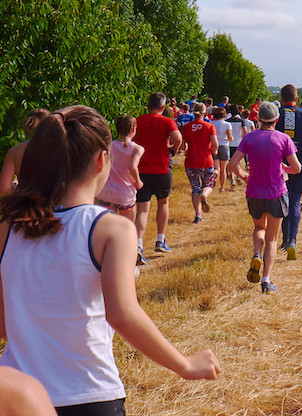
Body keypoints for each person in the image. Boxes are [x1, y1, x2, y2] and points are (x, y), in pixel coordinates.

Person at [0, 105, 220, 414]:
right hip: (87, 394)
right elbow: (122, 315)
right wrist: (184, 364)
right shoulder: (111, 229)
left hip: (15, 397)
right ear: (101, 160)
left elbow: (5, 323)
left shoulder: (8, 228)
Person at [228, 101, 302, 293]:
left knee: (259, 227)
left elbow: (233, 163)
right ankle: (266, 280)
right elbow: (297, 168)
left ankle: (257, 254)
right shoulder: (283, 139)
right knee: (273, 238)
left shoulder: (249, 138)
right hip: (276, 193)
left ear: (258, 119)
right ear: (276, 119)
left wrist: (244, 175)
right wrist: (285, 168)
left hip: (254, 192)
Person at [134, 92, 182, 258]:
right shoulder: (167, 121)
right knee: (163, 203)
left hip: (141, 169)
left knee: (142, 208)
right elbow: (178, 137)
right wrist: (173, 149)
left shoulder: (137, 121)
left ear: (148, 106)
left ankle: (138, 245)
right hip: (162, 168)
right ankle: (160, 240)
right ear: (163, 107)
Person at [275, 85, 302, 261]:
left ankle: (284, 239)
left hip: (278, 161)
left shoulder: (276, 113)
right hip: (300, 160)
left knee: (281, 198)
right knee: (294, 200)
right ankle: (292, 240)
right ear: (297, 98)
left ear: (282, 98)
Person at [96, 116, 144, 226]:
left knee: (106, 228)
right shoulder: (137, 149)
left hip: (106, 192)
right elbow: (133, 167)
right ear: (133, 129)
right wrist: (138, 182)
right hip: (125, 194)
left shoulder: (108, 146)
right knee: (127, 228)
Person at [179, 103, 217, 224]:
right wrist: (214, 150)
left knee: (195, 188)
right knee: (208, 185)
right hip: (206, 160)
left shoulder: (186, 127)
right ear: (204, 112)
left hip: (191, 161)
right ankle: (204, 195)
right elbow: (215, 143)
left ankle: (198, 215)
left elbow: (183, 146)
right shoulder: (209, 126)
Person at [0, 108, 50, 195]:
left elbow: (4, 188)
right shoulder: (60, 148)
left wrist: (17, 189)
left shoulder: (15, 152)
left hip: (26, 205)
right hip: (53, 205)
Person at [209, 107, 233, 192]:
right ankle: (222, 187)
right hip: (224, 146)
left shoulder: (211, 124)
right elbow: (229, 136)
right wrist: (231, 138)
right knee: (223, 169)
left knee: (216, 168)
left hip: (214, 146)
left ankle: (215, 174)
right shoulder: (227, 124)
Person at [226, 105, 249, 190]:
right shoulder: (241, 121)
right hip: (239, 143)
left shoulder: (227, 121)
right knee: (237, 161)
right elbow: (245, 131)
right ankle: (238, 176)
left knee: (231, 161)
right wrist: (242, 137)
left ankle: (232, 179)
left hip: (230, 143)